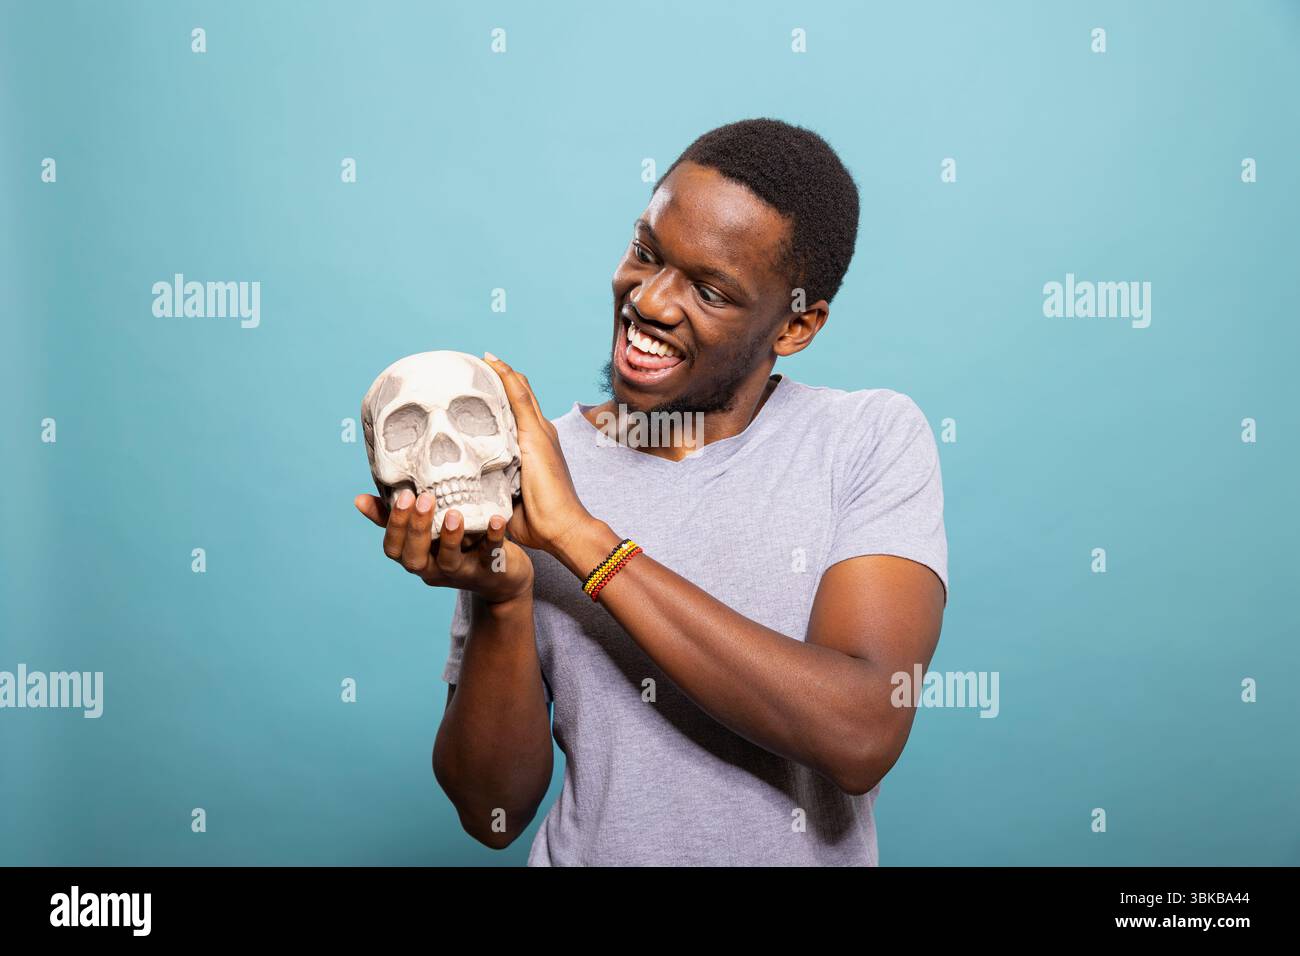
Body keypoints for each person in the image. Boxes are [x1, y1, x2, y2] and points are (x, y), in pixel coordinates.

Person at [355, 118, 948, 866]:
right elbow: (492, 815)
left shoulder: (867, 440)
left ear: (796, 324)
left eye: (709, 289)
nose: (652, 301)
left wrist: (582, 539)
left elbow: (860, 732)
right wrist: (502, 601)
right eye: (646, 252)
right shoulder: (530, 465)